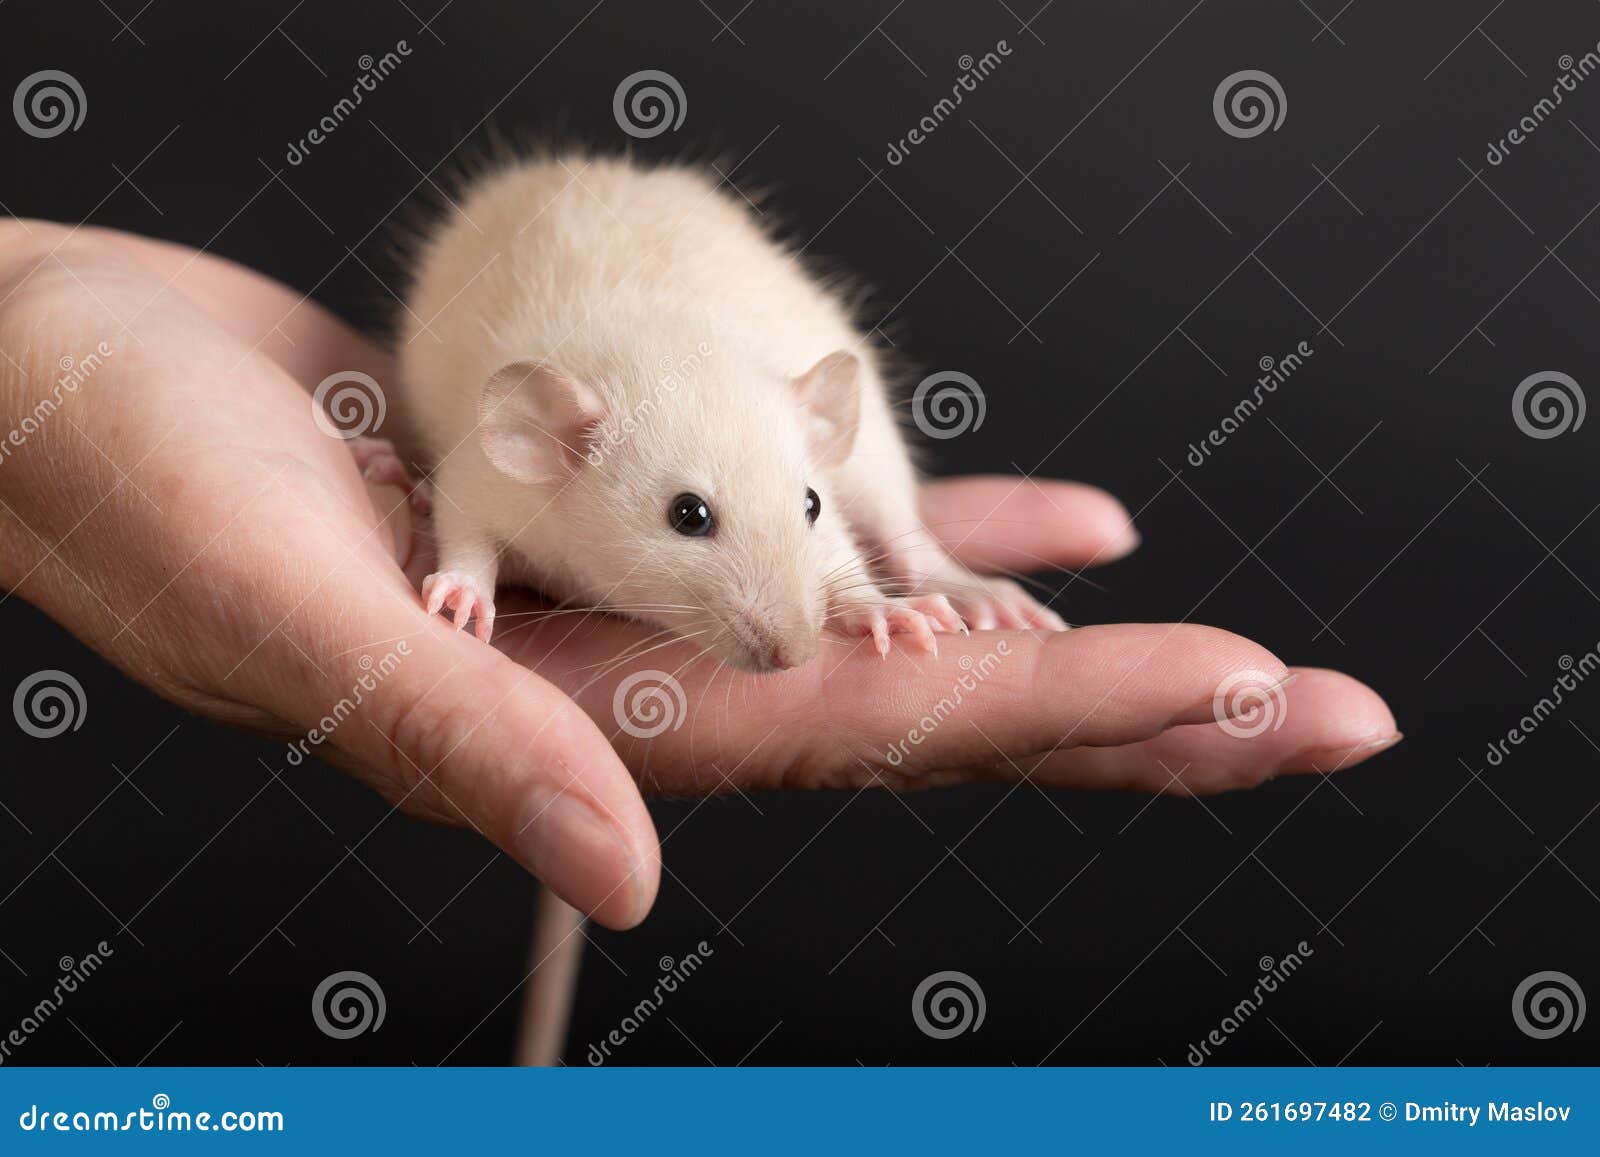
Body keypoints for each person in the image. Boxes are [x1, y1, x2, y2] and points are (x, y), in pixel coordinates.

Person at [0, 220, 1399, 929]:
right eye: (686, 517)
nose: (780, 641)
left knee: (841, 515)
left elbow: (792, 501)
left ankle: (911, 539)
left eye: (800, 496)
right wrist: (466, 563)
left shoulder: (776, 414)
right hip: (555, 292)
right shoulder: (538, 442)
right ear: (560, 441)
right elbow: (475, 493)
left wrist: (876, 582)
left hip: (713, 313)